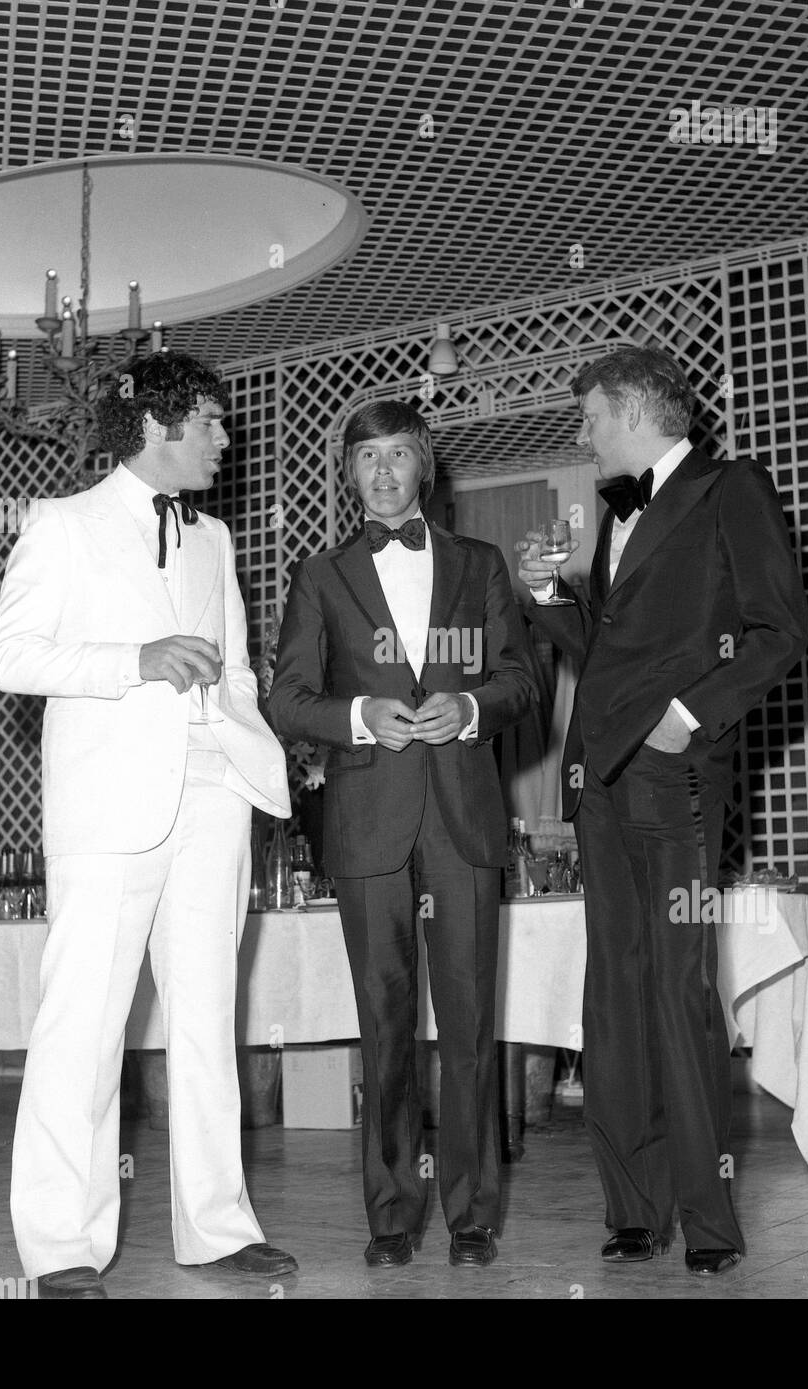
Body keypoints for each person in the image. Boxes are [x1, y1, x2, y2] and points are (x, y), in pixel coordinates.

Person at [0, 351, 296, 1298]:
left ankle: (216, 1228)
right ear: (156, 426)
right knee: (83, 1024)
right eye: (209, 421)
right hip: (109, 807)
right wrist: (137, 659)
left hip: (213, 798)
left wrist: (239, 743)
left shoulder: (216, 538)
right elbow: (12, 657)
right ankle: (60, 1245)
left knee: (206, 1017)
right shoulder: (62, 523)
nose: (226, 438)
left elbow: (234, 665)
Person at [516, 344, 808, 1275]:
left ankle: (708, 1222)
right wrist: (547, 592)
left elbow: (779, 632)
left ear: (636, 411)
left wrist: (691, 714)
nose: (584, 434)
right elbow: (604, 654)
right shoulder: (619, 516)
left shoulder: (732, 489)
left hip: (677, 778)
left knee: (680, 992)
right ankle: (633, 1209)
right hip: (599, 784)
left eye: (592, 417)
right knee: (614, 995)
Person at [268, 400, 539, 1268]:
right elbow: (285, 699)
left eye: (397, 455)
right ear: (349, 472)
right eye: (366, 457)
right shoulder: (321, 575)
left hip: (463, 820)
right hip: (368, 823)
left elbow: (521, 680)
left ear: (424, 465)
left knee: (470, 1025)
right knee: (383, 1026)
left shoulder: (480, 564)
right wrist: (356, 716)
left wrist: (470, 707)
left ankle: (473, 1215)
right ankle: (390, 1215)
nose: (382, 471)